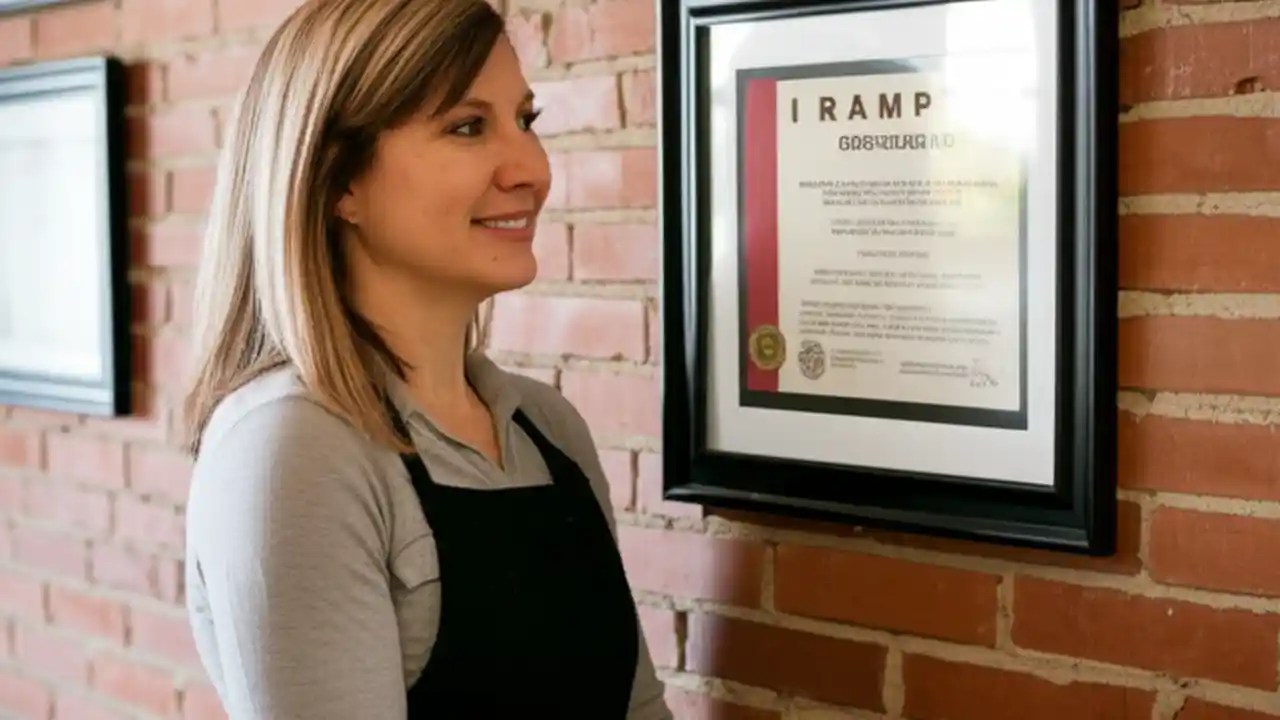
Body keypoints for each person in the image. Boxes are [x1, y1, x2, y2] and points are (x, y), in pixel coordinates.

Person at [177, 0, 673, 717]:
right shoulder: (296, 449)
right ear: (338, 180)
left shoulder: (547, 428)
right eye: (467, 127)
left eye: (526, 121)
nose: (531, 168)